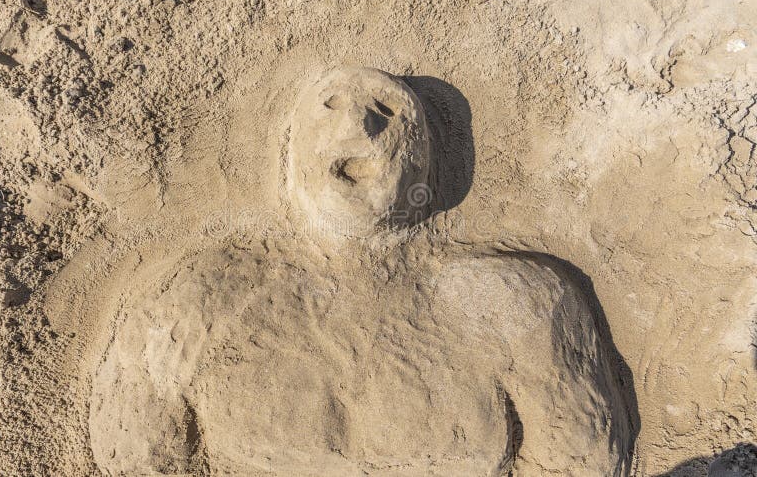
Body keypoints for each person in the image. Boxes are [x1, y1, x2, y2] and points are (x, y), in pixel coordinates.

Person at [89, 66, 636, 476]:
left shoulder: (521, 306)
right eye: (328, 105)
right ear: (291, 157)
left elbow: (579, 455)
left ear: (423, 158)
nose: (358, 121)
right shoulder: (194, 302)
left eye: (388, 109)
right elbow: (137, 451)